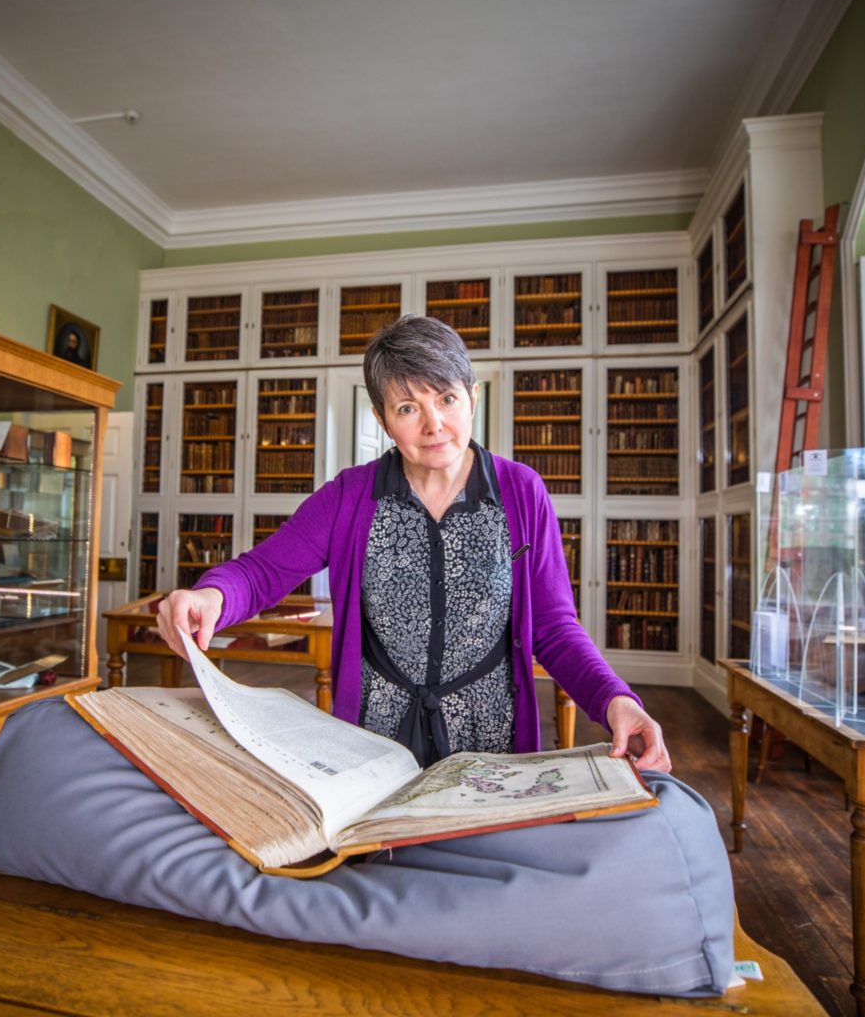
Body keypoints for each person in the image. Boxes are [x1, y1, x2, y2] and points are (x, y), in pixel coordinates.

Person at [157, 315, 671, 772]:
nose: (434, 425)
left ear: (472, 396)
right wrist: (210, 597)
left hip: (490, 747)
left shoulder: (521, 492)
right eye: (408, 407)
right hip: (371, 746)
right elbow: (261, 572)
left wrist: (614, 700)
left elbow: (555, 628)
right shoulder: (349, 497)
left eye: (446, 398)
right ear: (382, 420)